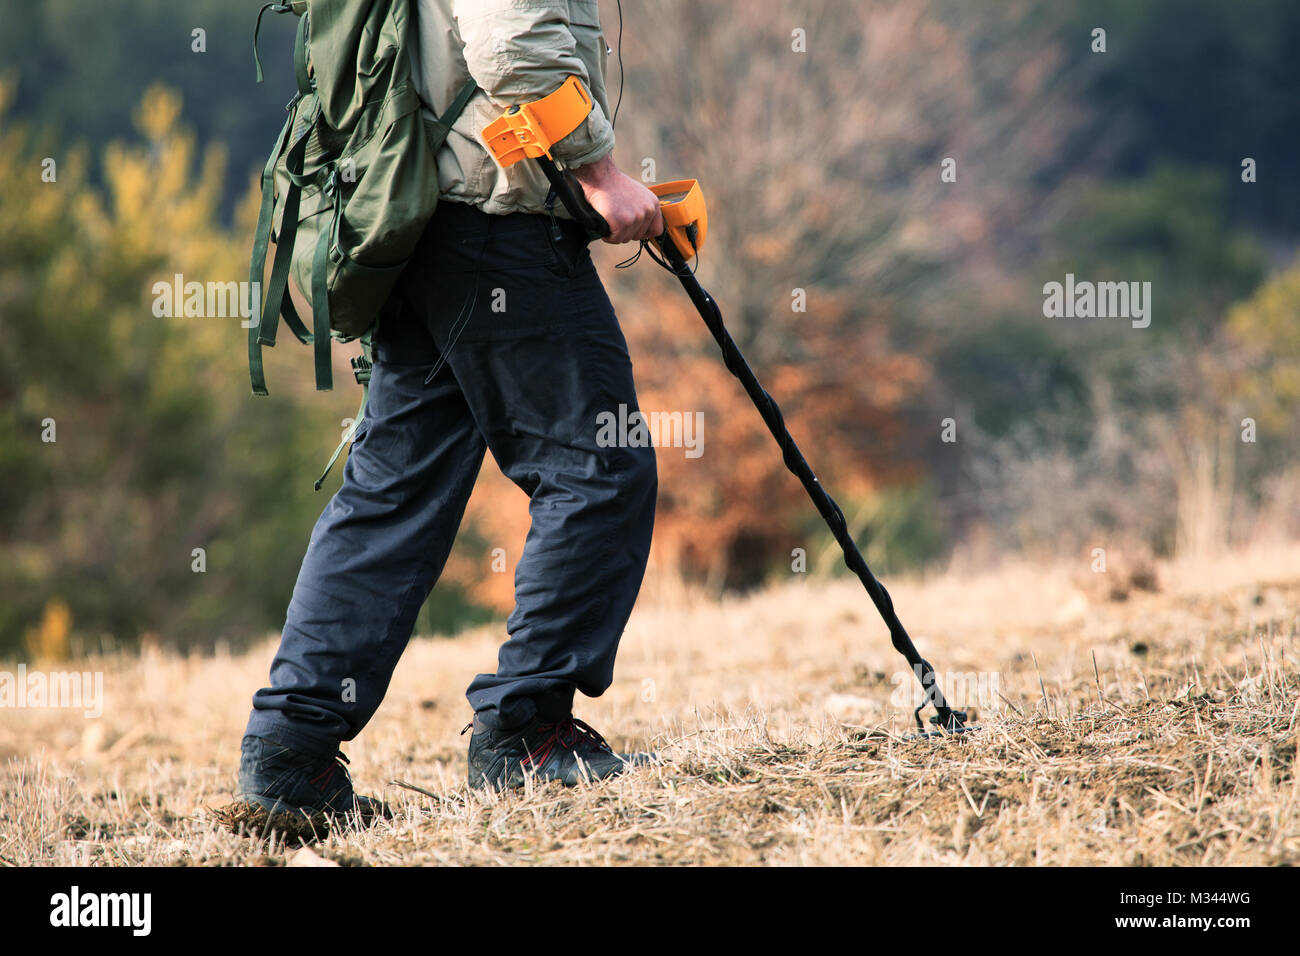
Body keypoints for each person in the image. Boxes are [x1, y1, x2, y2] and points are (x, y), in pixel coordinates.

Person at [233, 0, 664, 821]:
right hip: (493, 220)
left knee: (393, 496)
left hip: (422, 224)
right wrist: (598, 170)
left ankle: (291, 754)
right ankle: (526, 733)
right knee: (599, 465)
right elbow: (511, 38)